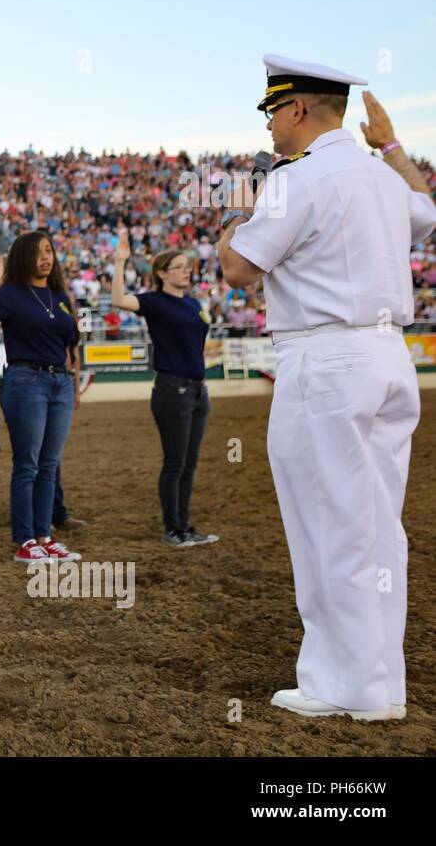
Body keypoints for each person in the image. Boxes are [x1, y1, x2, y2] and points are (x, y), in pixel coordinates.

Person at [220, 57, 435, 722]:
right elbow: (426, 211)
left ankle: (337, 683)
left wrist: (239, 204)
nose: (270, 126)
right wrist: (393, 146)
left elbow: (236, 269)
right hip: (386, 355)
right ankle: (375, 684)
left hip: (325, 360)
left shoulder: (295, 179)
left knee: (325, 524)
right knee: (372, 526)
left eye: (272, 113)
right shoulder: (379, 177)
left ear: (298, 110)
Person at [0, 229, 81, 564]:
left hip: (60, 383)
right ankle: (25, 540)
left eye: (49, 250)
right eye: (38, 252)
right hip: (26, 382)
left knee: (49, 464)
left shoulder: (59, 296)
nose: (45, 257)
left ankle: (45, 535)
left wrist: (73, 379)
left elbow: (71, 343)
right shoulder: (11, 294)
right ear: (24, 258)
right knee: (27, 464)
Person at [111, 229, 217, 547]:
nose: (187, 271)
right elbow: (118, 299)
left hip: (198, 391)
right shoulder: (153, 302)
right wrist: (120, 261)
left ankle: (185, 525)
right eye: (180, 267)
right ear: (161, 274)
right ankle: (173, 528)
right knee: (175, 463)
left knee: (189, 463)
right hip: (173, 391)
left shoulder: (194, 304)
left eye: (188, 267)